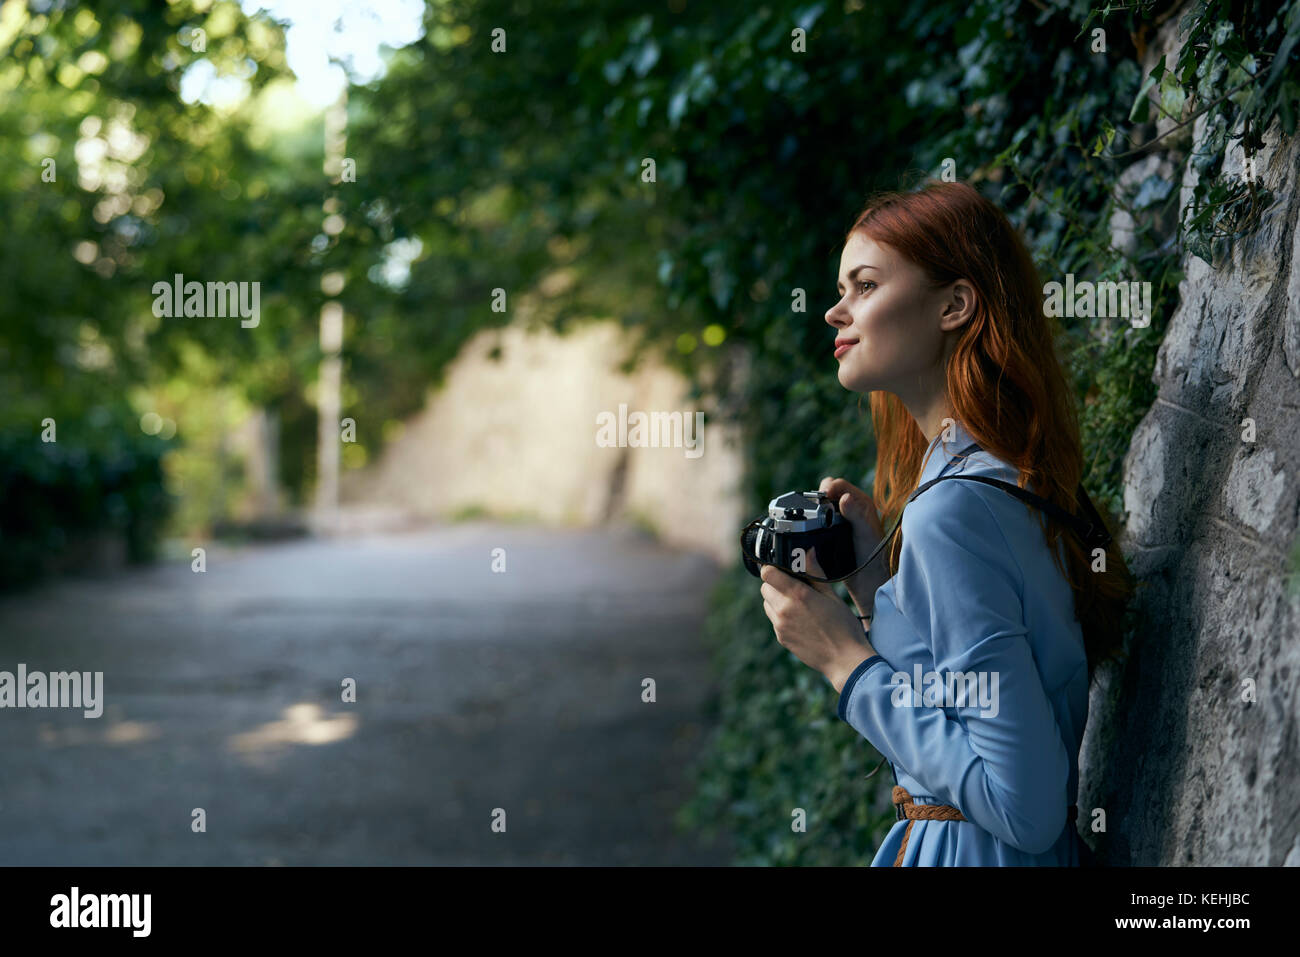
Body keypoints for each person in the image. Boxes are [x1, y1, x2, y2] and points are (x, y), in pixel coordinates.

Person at [757, 180, 1134, 866]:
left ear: (954, 304)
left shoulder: (954, 510)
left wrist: (846, 662)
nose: (834, 312)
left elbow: (1025, 805)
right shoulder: (996, 479)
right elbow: (962, 698)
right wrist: (875, 585)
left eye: (864, 286)